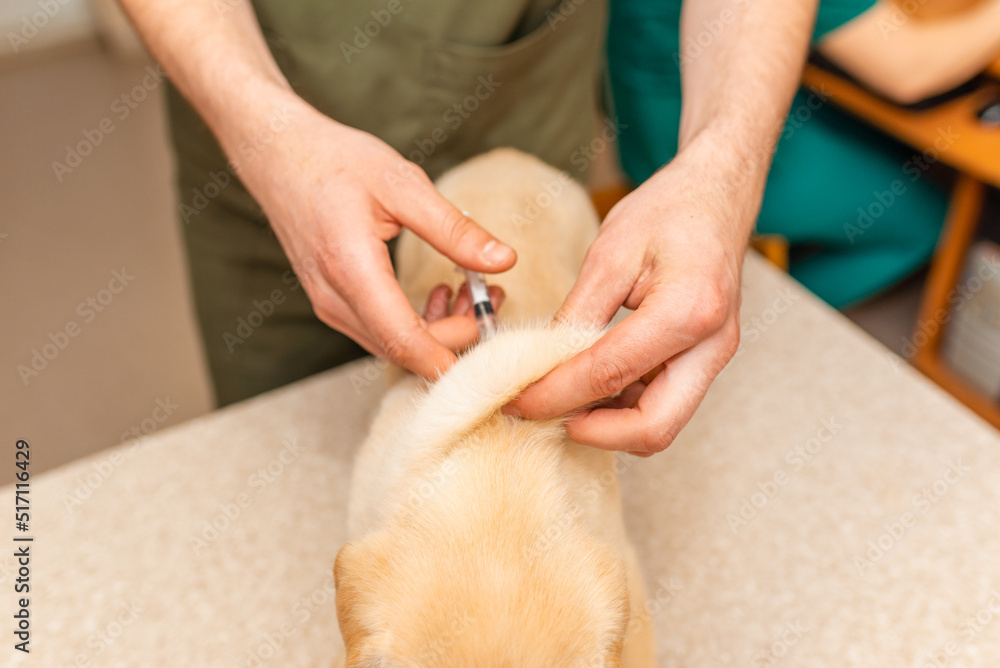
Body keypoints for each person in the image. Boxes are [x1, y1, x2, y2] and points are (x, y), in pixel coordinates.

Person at [118, 0, 818, 455]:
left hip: (519, 84)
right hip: (249, 92)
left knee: (538, 444)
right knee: (283, 460)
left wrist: (724, 170)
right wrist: (266, 136)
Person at [607, 0, 1000, 309]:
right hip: (691, 150)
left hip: (640, 115)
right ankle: (761, 318)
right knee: (931, 219)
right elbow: (911, 71)